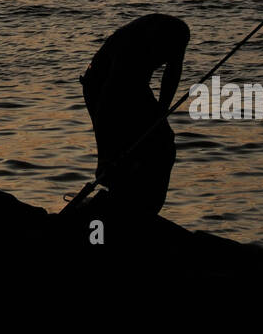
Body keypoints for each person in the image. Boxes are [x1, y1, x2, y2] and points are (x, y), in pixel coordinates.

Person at [79, 13, 189, 217]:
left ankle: (142, 207)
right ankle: (121, 201)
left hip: (132, 85)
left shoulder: (179, 34)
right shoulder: (131, 49)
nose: (162, 55)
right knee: (124, 151)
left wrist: (162, 112)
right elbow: (107, 102)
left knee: (160, 141)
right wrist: (105, 154)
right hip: (100, 84)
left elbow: (172, 74)